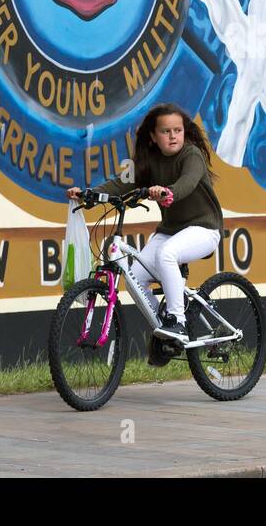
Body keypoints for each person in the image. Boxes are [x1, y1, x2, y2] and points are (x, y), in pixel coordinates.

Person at [67, 103, 224, 364]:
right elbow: (121, 183)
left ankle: (177, 322)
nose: (173, 136)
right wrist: (89, 194)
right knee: (134, 278)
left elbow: (188, 181)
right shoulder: (148, 161)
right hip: (171, 230)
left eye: (178, 130)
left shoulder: (191, 154)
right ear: (153, 136)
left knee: (166, 254)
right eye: (166, 131)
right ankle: (165, 332)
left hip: (204, 228)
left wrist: (168, 192)